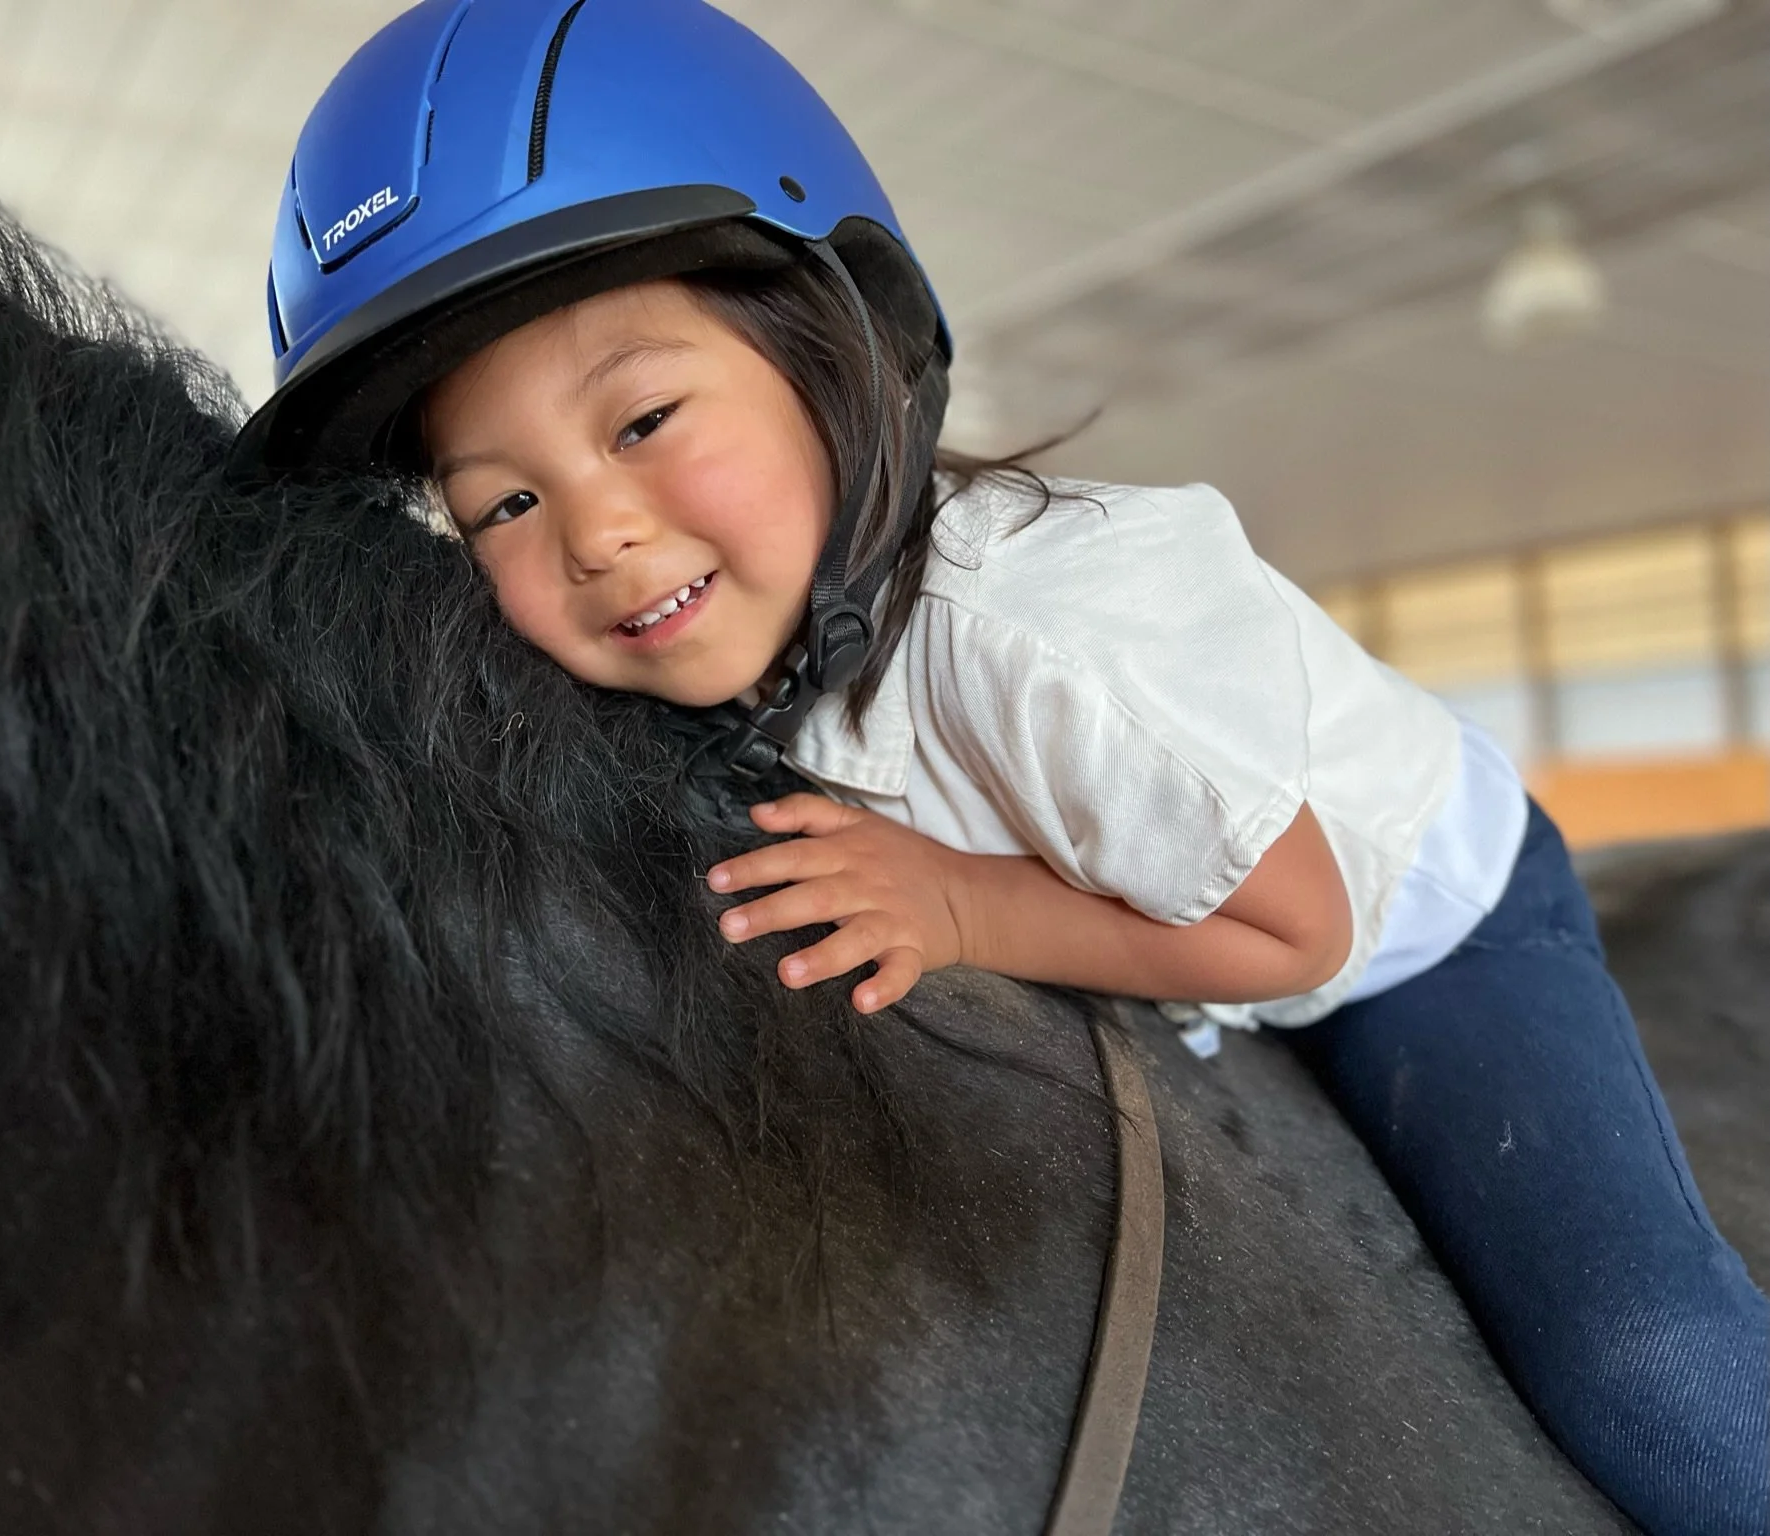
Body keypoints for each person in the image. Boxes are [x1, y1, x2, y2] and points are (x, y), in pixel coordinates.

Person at [230, 2, 1770, 1530]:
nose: (595, 532)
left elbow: (1302, 929)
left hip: (1415, 918)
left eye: (641, 417)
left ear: (831, 351)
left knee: (1640, 1366)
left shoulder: (1040, 638)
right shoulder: (719, 658)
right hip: (1179, 906)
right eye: (500, 505)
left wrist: (961, 911)